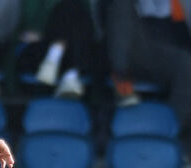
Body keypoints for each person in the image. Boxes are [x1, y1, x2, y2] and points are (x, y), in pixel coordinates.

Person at [103, 0, 191, 154]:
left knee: (185, 65)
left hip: (166, 36)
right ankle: (165, 133)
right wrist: (120, 69)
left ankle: (168, 131)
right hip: (129, 50)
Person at [13, 0, 101, 98]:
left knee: (71, 5)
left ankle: (55, 56)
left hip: (74, 52)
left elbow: (89, 30)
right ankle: (70, 75)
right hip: (40, 50)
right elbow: (19, 25)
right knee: (67, 7)